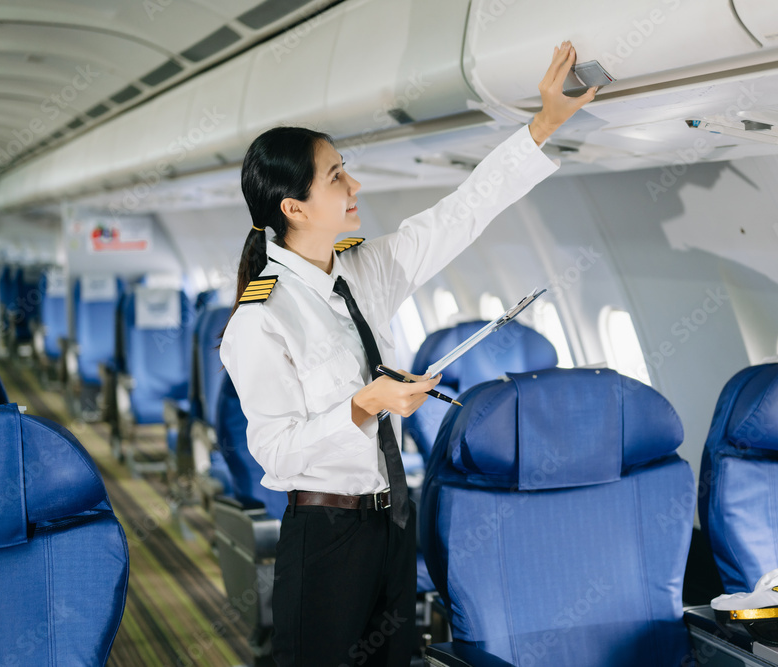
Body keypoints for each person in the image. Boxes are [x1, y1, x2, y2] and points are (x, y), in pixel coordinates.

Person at [220, 41, 596, 666]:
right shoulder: (260, 320)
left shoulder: (366, 270)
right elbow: (276, 453)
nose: (354, 183)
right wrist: (366, 403)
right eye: (336, 175)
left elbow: (461, 215)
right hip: (326, 534)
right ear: (293, 208)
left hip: (394, 521)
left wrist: (545, 124)